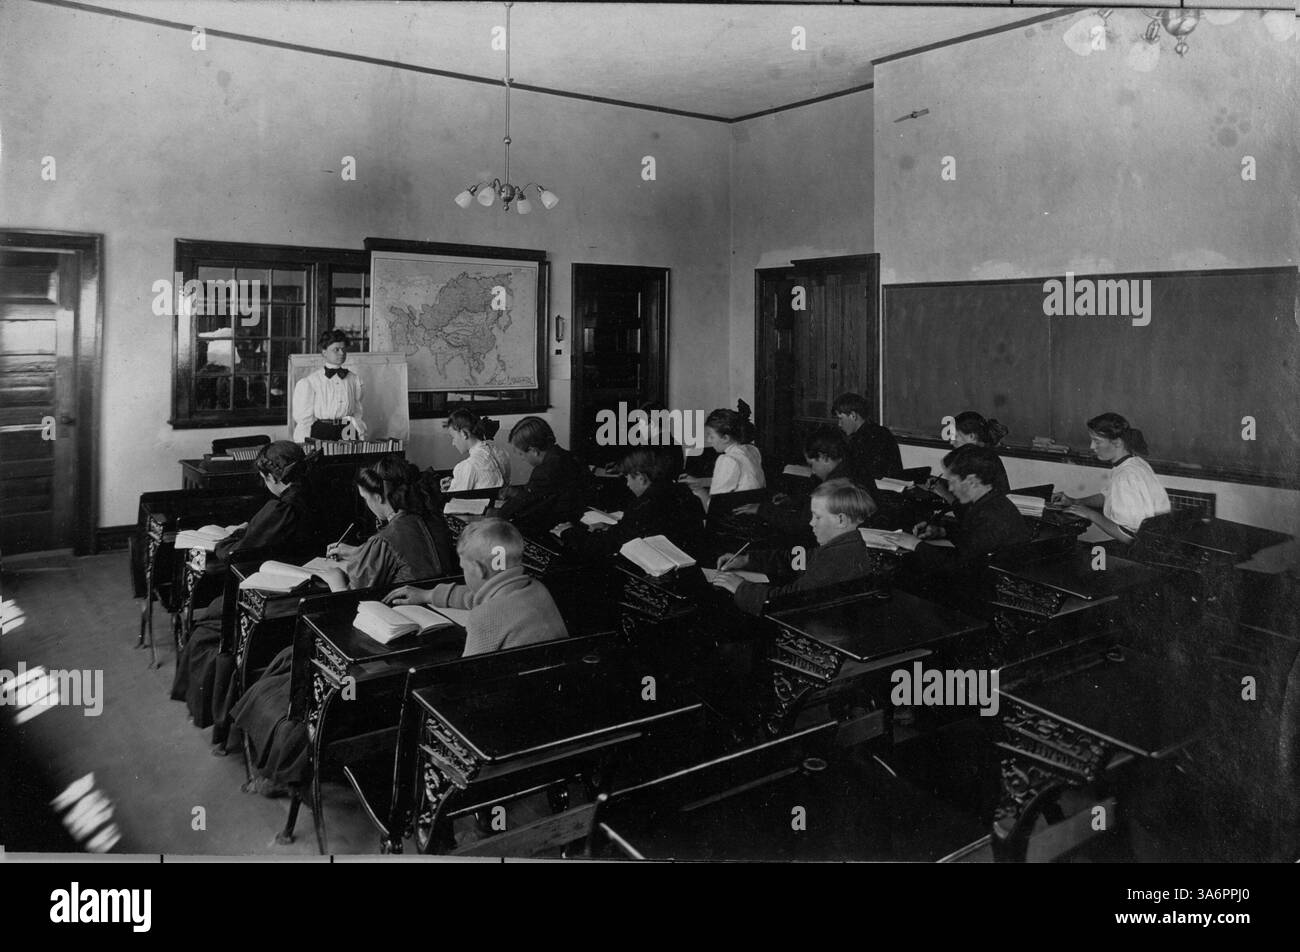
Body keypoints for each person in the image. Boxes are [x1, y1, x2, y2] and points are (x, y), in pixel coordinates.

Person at [230, 456, 455, 797]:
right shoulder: (427, 521)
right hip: (432, 629)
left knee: (293, 672)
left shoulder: (386, 537)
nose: (367, 506)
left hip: (386, 640)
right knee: (289, 665)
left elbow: (349, 601)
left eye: (367, 500)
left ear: (381, 497)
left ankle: (282, 768)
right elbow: (394, 555)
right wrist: (359, 552)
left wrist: (336, 574)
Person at [170, 441, 322, 737]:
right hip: (305, 589)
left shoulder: (280, 508)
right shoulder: (315, 498)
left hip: (267, 596)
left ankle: (209, 713)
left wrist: (226, 540)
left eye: (266, 479)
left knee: (205, 630)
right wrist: (248, 529)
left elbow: (238, 555)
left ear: (275, 479)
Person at [386, 518, 568, 657]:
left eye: (463, 567)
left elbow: (469, 674)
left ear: (478, 570)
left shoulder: (484, 617)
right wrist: (428, 595)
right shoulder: (536, 588)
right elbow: (478, 597)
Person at [712, 478, 880, 616]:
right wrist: (747, 560)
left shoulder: (835, 560)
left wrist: (740, 587)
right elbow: (796, 560)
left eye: (817, 517)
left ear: (841, 520)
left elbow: (785, 600)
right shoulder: (845, 544)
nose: (811, 523)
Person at [892, 445, 1030, 574]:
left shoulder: (990, 515)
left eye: (953, 481)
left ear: (971, 481)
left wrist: (915, 545)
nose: (950, 488)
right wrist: (942, 531)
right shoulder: (991, 503)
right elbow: (972, 540)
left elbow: (957, 566)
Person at [553, 447, 705, 560]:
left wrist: (568, 532)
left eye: (627, 478)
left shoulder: (645, 504)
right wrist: (611, 527)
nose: (627, 484)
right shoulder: (681, 492)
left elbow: (608, 544)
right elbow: (639, 530)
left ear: (640, 477)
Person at [1052, 412, 1170, 543]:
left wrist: (1090, 514)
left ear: (1117, 442)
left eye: (1097, 441)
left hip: (1139, 550)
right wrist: (1075, 502)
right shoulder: (1134, 463)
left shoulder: (1125, 477)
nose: (1092, 447)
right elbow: (1108, 496)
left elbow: (1129, 537)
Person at [747, 427, 880, 541]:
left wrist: (762, 510)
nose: (813, 471)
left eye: (812, 464)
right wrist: (795, 501)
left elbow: (801, 523)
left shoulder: (837, 483)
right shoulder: (854, 468)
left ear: (824, 457)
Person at [495, 417, 590, 534]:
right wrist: (516, 493)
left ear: (534, 450)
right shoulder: (566, 456)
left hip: (560, 527)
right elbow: (538, 493)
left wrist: (497, 514)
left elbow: (521, 505)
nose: (523, 459)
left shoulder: (546, 470)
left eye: (521, 454)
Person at [292, 329, 366, 442]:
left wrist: (360, 434)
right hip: (323, 430)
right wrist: (303, 443)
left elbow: (357, 411)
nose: (341, 353)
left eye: (343, 349)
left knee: (350, 458)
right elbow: (304, 420)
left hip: (348, 428)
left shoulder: (354, 379)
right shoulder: (311, 382)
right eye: (336, 349)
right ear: (324, 352)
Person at [926, 411, 1011, 498]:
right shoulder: (989, 456)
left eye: (955, 437)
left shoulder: (976, 461)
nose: (951, 442)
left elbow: (966, 506)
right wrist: (943, 485)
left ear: (972, 437)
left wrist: (943, 492)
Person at [833, 392, 902, 481]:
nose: (839, 424)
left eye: (840, 418)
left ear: (853, 415)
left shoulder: (871, 438)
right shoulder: (879, 432)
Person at [441, 408, 510, 493]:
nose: (453, 443)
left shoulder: (467, 466)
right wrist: (455, 481)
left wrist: (445, 490)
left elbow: (455, 498)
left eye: (453, 437)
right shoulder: (502, 453)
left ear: (464, 434)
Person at [705, 404, 765, 498]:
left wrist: (698, 491)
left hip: (737, 510)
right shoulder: (753, 450)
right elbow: (738, 480)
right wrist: (700, 482)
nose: (708, 440)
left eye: (711, 436)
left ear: (725, 438)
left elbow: (715, 503)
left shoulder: (727, 460)